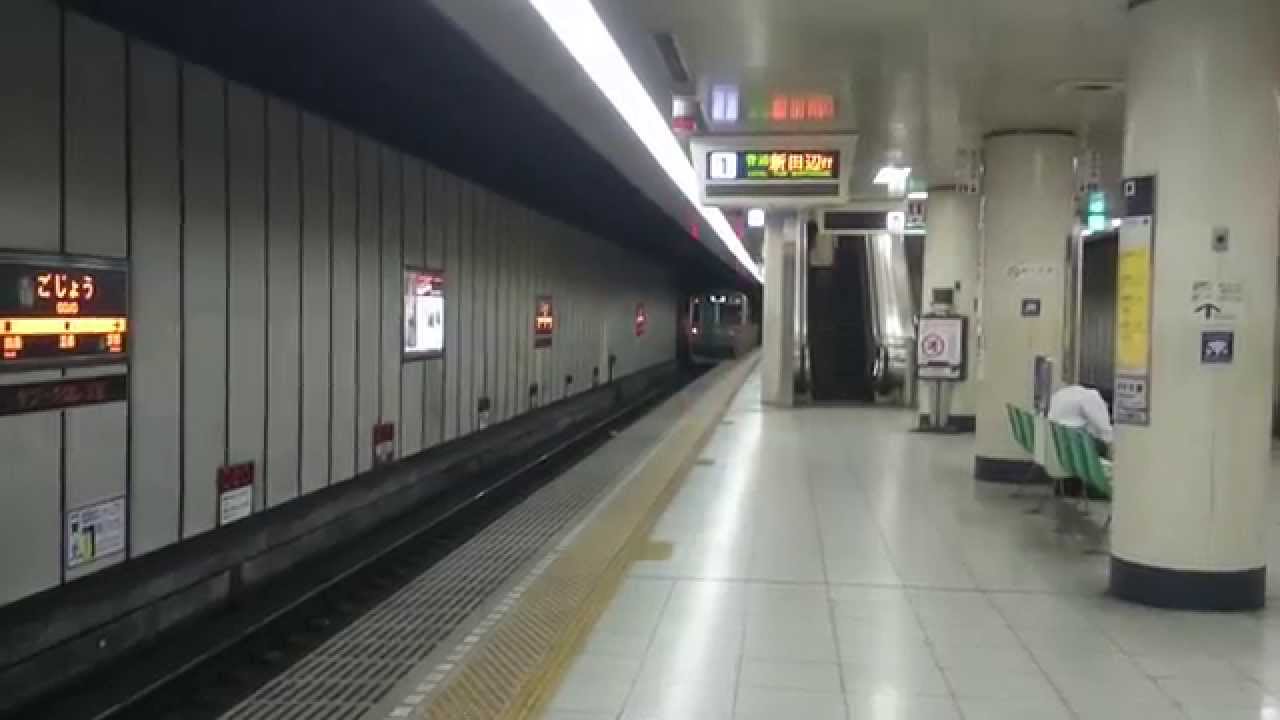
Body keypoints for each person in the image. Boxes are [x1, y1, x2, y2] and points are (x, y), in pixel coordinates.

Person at [1048, 383, 1113, 458]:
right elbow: (1105, 429)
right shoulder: (1092, 396)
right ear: (1105, 403)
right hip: (1077, 447)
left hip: (1057, 443)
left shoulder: (1062, 393)